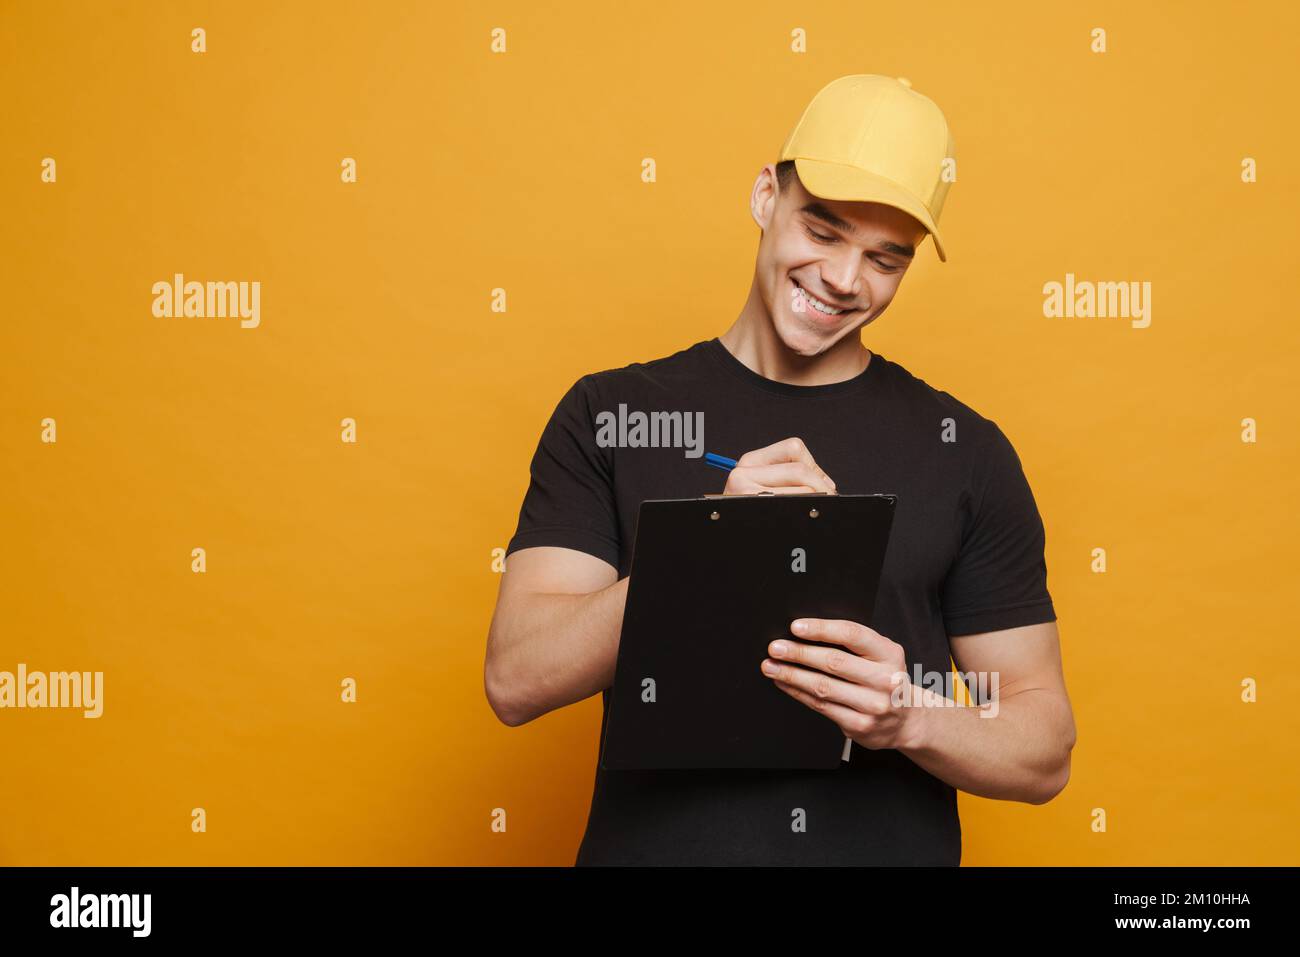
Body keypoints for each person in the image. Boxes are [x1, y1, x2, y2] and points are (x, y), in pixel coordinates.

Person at [484, 75, 1076, 865]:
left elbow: (1045, 746)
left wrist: (912, 714)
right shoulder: (612, 413)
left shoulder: (963, 449)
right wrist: (701, 547)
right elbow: (515, 679)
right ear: (766, 196)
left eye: (884, 260)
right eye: (823, 231)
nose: (842, 279)